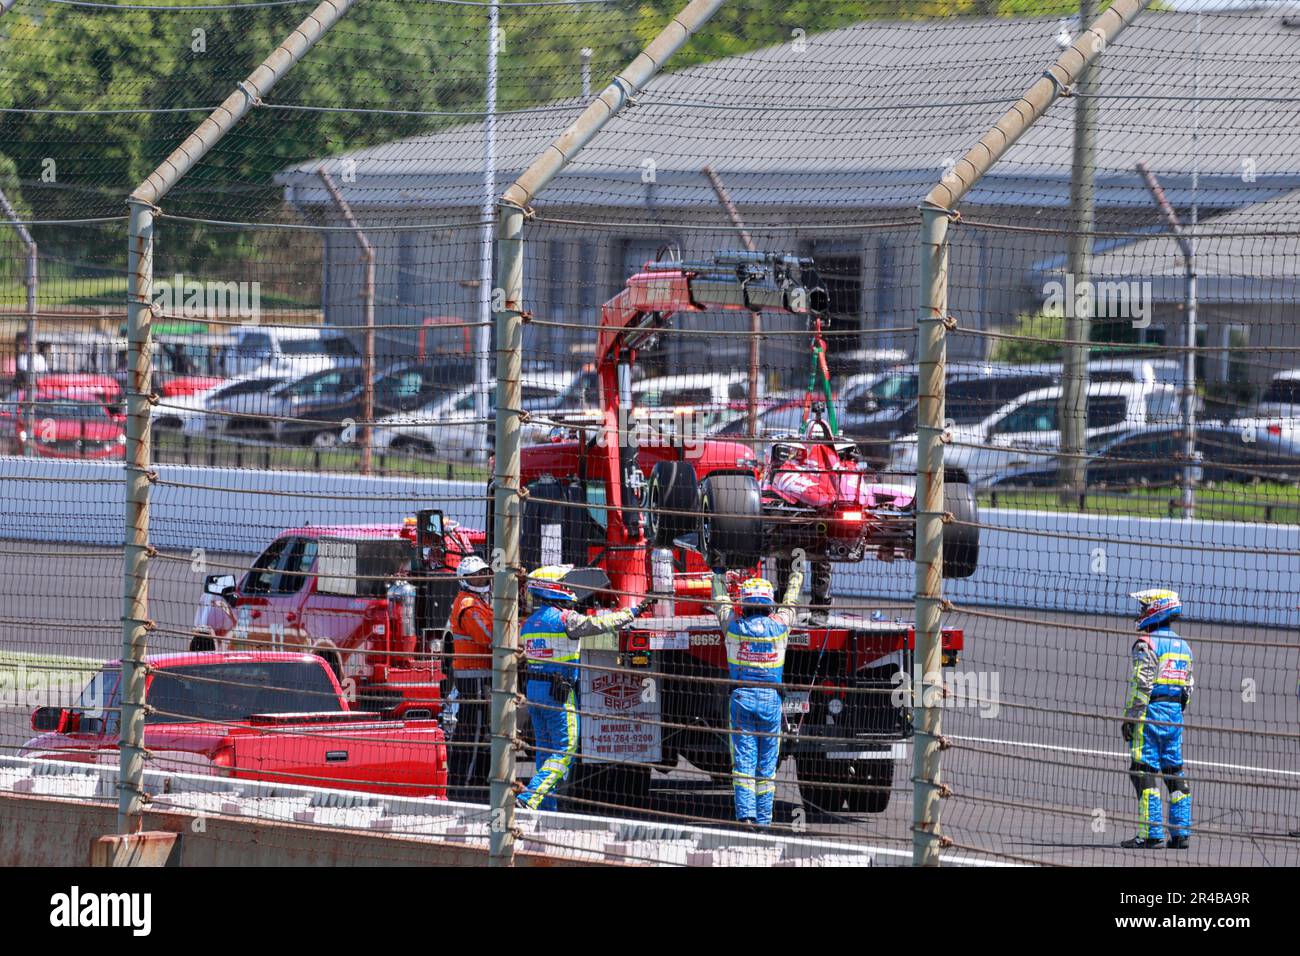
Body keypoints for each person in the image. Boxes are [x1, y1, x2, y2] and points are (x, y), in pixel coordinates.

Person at [517, 566, 654, 811]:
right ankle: (530, 797)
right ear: (554, 588)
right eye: (565, 584)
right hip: (558, 693)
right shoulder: (564, 618)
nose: (570, 589)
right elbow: (598, 623)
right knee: (565, 750)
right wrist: (631, 613)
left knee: (544, 752)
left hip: (535, 691)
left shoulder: (529, 623)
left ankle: (546, 810)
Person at [711, 564, 803, 826]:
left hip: (741, 699)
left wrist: (717, 575)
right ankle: (764, 820)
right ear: (768, 604)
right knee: (767, 765)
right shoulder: (780, 627)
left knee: (743, 762)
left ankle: (746, 816)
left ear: (744, 603)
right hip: (771, 702)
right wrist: (797, 572)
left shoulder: (733, 627)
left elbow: (720, 603)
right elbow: (792, 602)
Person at [1121, 588, 1194, 850]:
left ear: (1155, 610)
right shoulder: (1184, 647)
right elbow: (1188, 689)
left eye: (1143, 607)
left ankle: (1151, 834)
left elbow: (1141, 685)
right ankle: (1181, 832)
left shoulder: (1147, 643)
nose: (1140, 613)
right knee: (1174, 770)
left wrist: (1130, 718)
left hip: (1149, 714)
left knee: (1142, 770)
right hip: (1174, 717)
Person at [446, 554, 493, 801]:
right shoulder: (469, 605)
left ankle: (476, 779)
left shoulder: (479, 601)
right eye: (476, 575)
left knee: (481, 730)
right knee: (472, 731)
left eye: (484, 573)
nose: (482, 578)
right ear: (465, 579)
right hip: (472, 675)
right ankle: (463, 784)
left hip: (479, 674)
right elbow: (488, 636)